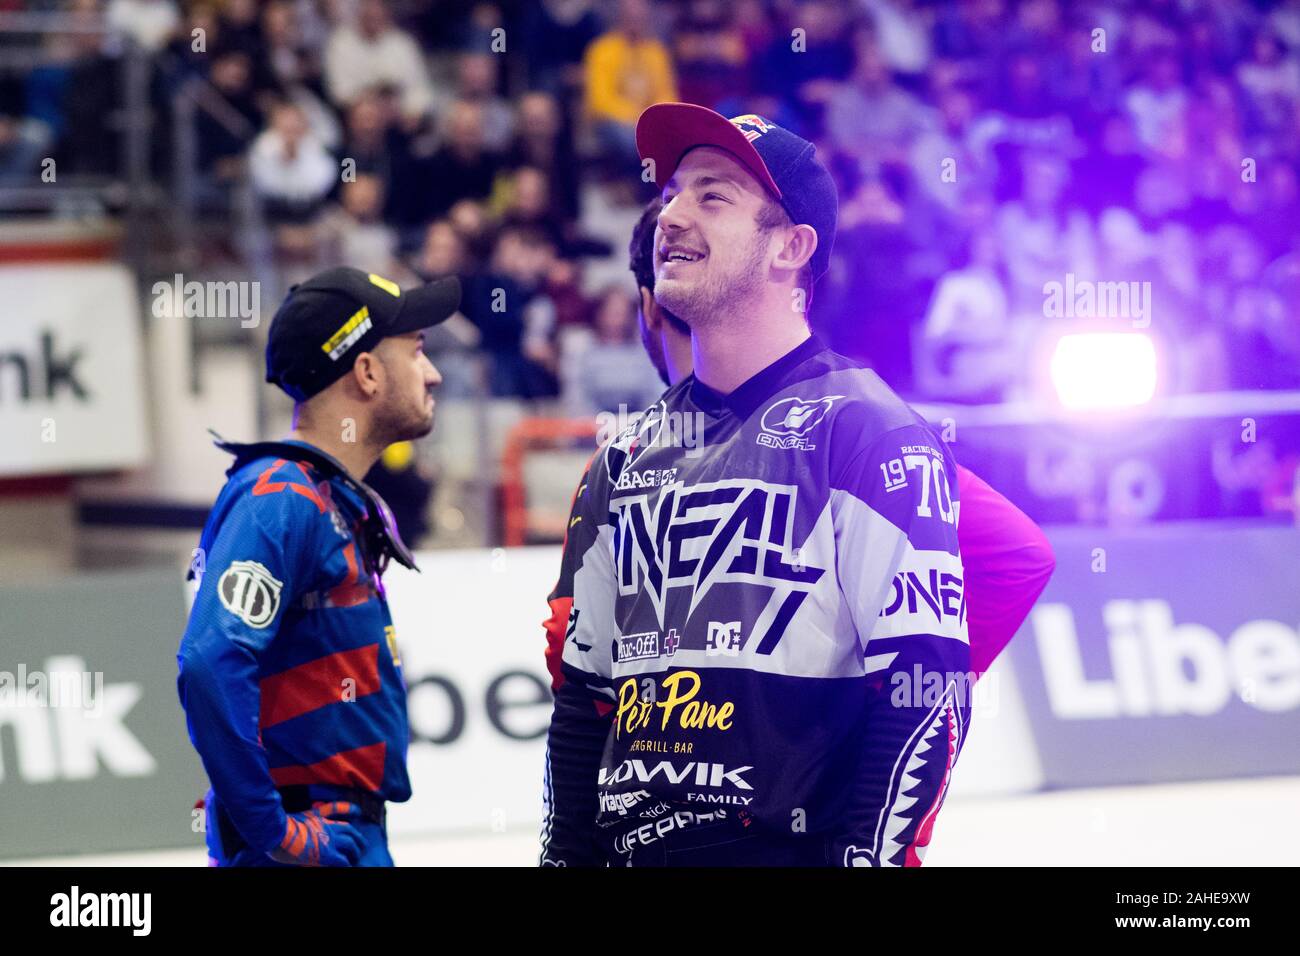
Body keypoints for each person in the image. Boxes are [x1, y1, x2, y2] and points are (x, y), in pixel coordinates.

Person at [540, 104, 1052, 867]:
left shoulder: (868, 431)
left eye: (712, 196)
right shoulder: (626, 455)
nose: (671, 216)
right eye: (674, 192)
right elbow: (583, 702)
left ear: (791, 247)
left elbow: (929, 684)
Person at [177, 267, 460, 866]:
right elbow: (208, 661)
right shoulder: (283, 496)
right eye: (416, 352)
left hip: (341, 833)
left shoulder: (319, 495)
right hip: (309, 837)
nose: (433, 373)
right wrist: (273, 833)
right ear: (366, 372)